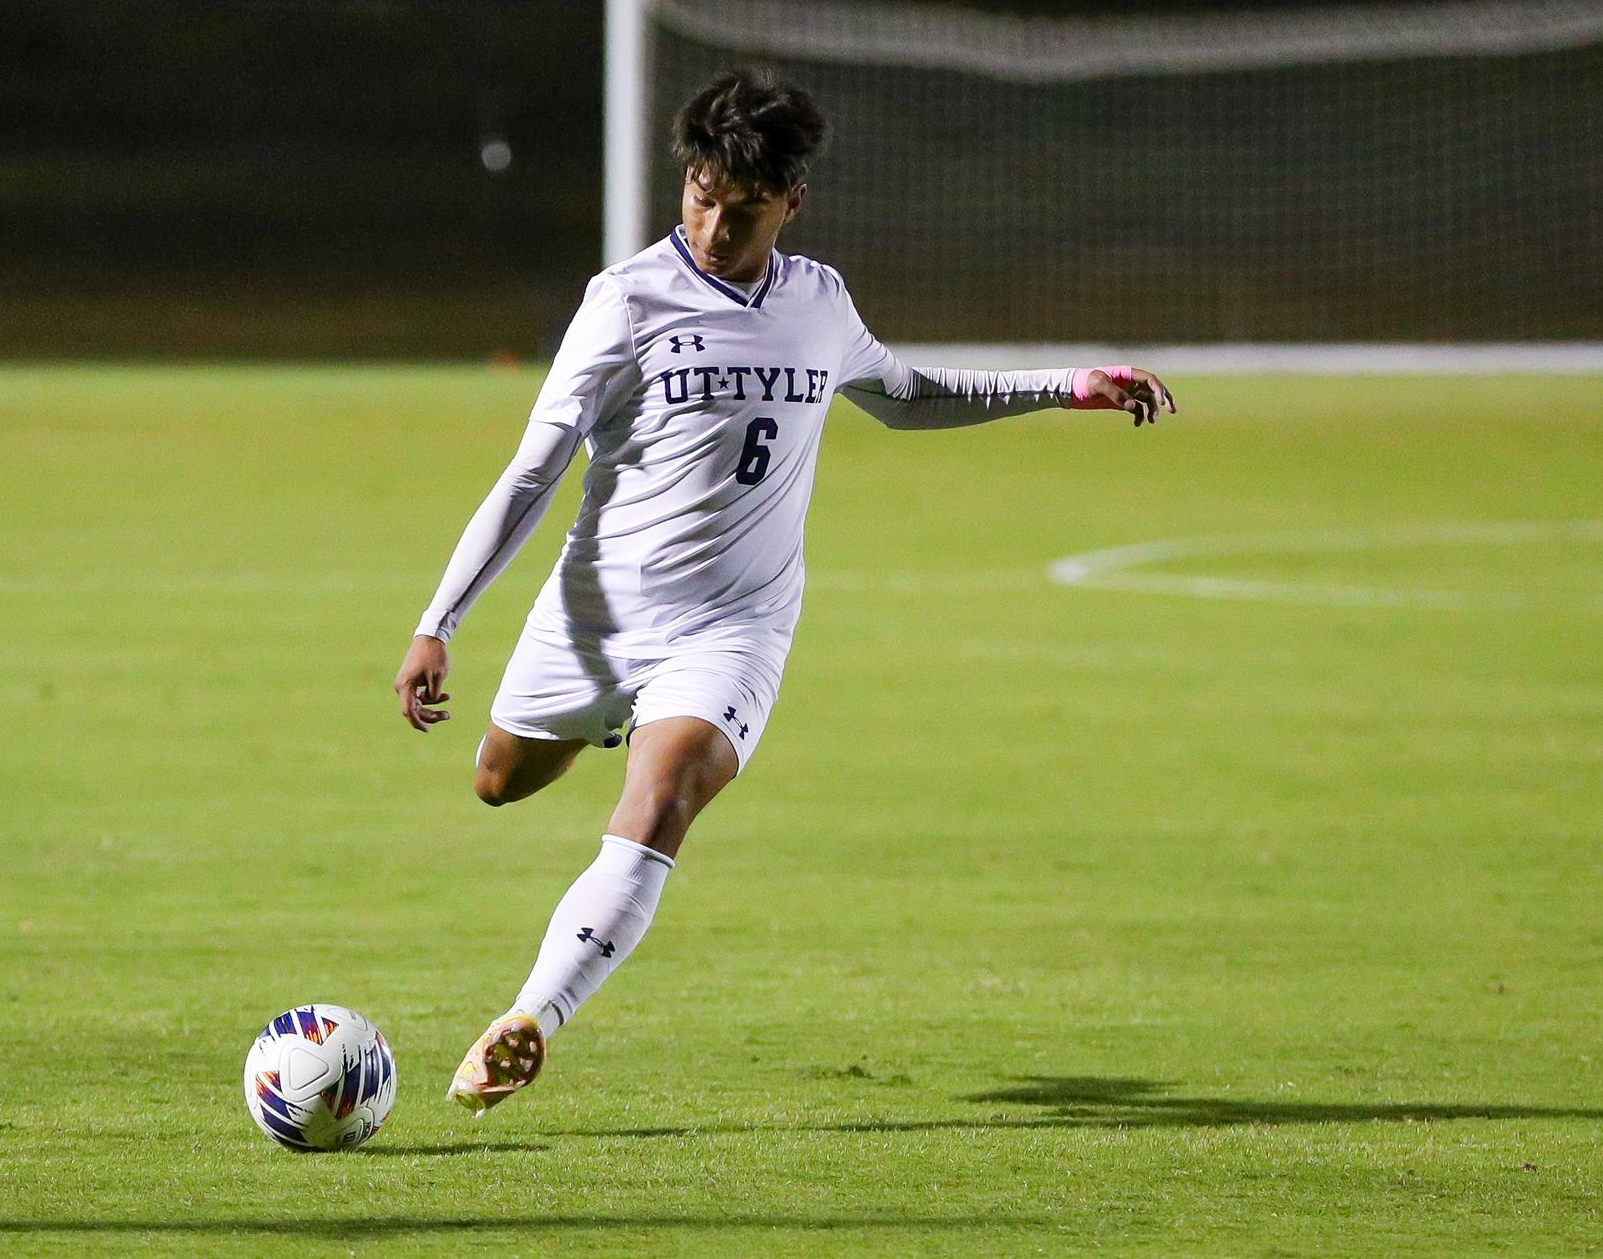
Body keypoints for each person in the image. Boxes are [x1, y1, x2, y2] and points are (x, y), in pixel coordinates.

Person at [393, 68, 1176, 1116]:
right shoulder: (625, 302)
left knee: (663, 796)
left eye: (743, 208)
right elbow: (534, 470)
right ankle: (608, 718)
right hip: (598, 614)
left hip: (735, 625)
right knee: (498, 779)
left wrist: (1061, 385)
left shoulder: (817, 301)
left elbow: (900, 397)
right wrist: (436, 624)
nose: (715, 226)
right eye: (700, 197)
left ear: (790, 203)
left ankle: (530, 1016)